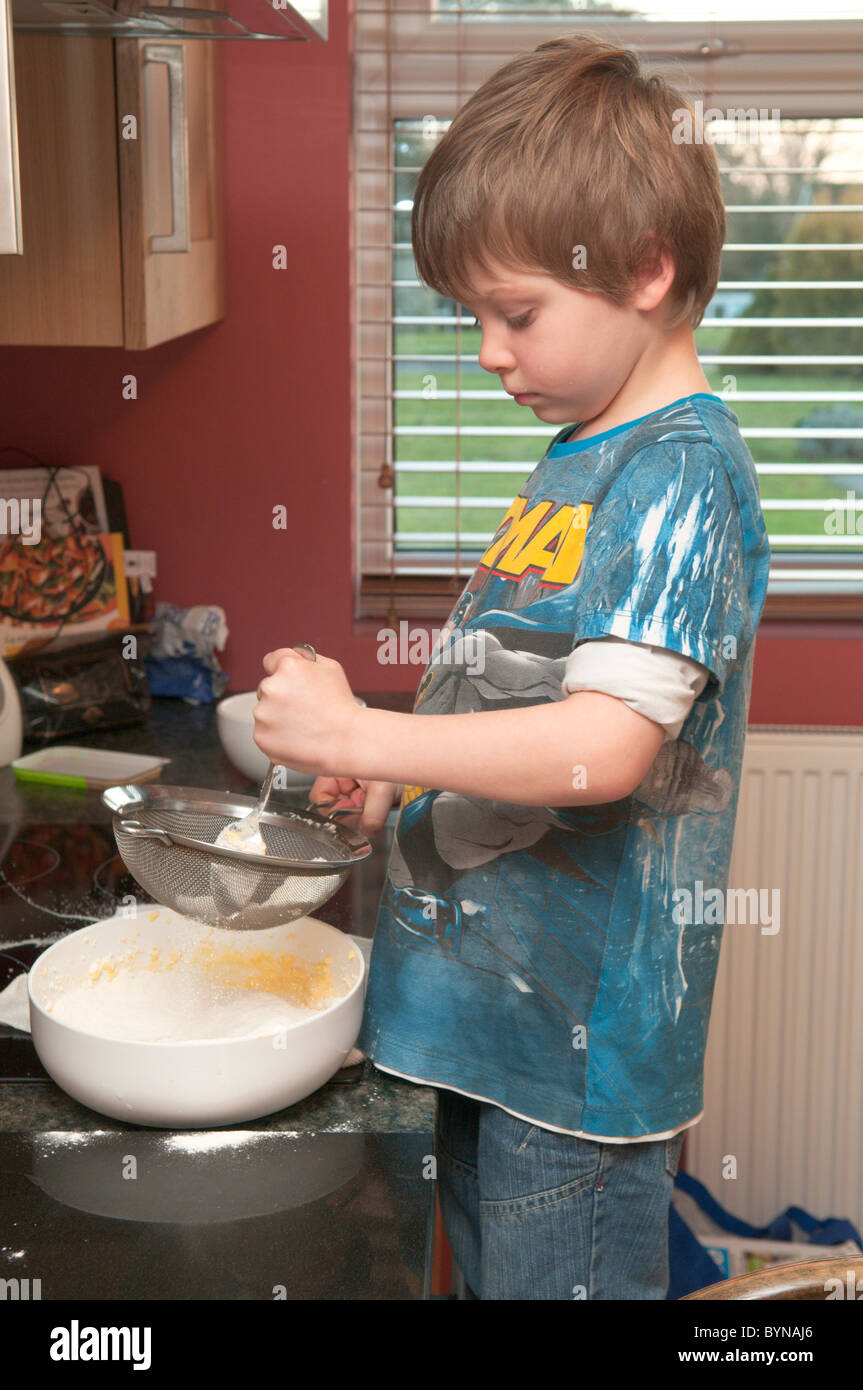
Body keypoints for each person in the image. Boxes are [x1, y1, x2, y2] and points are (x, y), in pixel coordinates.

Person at [252, 34, 770, 1300]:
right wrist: (400, 784)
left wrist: (358, 737)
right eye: (469, 316)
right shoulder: (582, 452)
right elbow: (509, 691)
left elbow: (598, 749)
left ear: (646, 270)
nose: (487, 350)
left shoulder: (679, 471)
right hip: (483, 1037)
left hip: (566, 1075)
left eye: (515, 312)